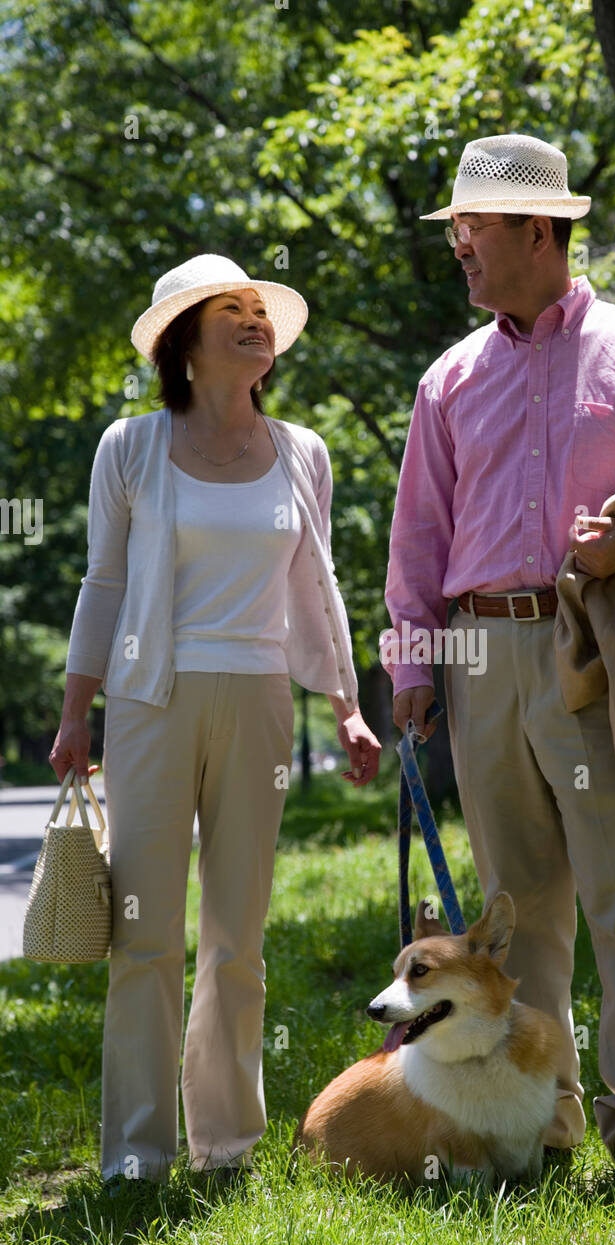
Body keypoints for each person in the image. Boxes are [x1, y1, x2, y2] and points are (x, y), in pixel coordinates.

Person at [382, 133, 615, 1184]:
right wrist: (410, 668)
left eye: (473, 229)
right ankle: (540, 1121)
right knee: (514, 909)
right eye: (453, 232)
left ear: (539, 229)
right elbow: (417, 540)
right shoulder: (446, 379)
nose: (460, 249)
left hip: (602, 646)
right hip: (479, 652)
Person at [50, 254, 381, 1188]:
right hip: (151, 702)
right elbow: (103, 583)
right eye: (227, 310)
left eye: (257, 309)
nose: (252, 320)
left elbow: (316, 591)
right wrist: (78, 714)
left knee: (239, 938)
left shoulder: (302, 451)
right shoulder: (131, 446)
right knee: (146, 934)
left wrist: (347, 708)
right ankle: (137, 1153)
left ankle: (226, 1148)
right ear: (184, 344)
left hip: (260, 701)